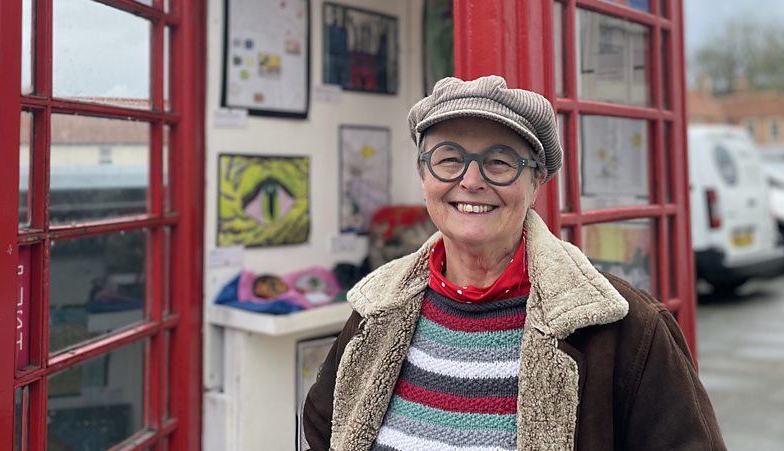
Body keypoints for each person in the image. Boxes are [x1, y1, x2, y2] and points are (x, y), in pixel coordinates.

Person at [303, 75, 726, 450]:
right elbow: (324, 429)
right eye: (449, 158)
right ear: (423, 174)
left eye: (499, 162)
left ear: (536, 181)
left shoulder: (628, 328)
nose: (471, 180)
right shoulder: (376, 308)